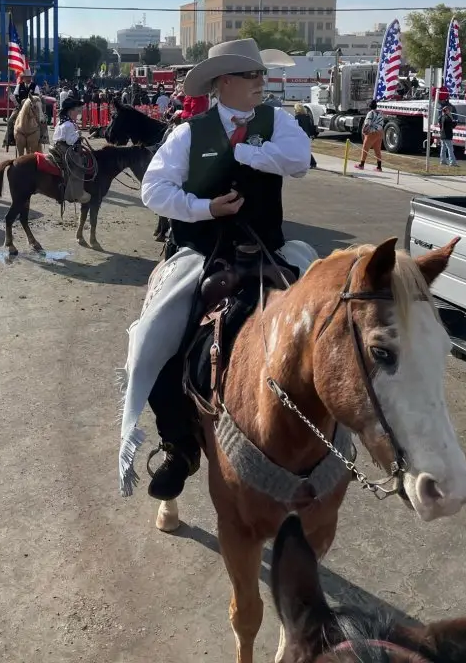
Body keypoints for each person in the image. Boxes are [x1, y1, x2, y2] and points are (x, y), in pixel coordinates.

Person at [118, 38, 312, 500]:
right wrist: (206, 208)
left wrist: (247, 153)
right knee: (151, 339)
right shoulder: (188, 132)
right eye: (252, 76)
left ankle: (324, 437)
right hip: (202, 249)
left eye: (262, 76)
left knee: (331, 317)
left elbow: (300, 161)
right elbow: (153, 191)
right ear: (224, 82)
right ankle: (179, 446)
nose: (261, 84)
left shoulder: (278, 121)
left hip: (269, 246)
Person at [51, 97, 91, 204]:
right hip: (65, 148)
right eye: (77, 111)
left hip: (58, 146)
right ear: (70, 111)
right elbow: (69, 141)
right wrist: (78, 134)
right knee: (78, 166)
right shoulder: (69, 124)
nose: (78, 113)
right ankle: (75, 194)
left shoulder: (62, 121)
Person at [355, 100, 384, 172]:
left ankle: (361, 165)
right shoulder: (380, 113)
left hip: (371, 133)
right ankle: (379, 167)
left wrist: (364, 131)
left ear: (369, 106)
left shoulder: (370, 113)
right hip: (380, 132)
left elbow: (368, 123)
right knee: (377, 150)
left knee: (365, 148)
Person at [294, 102, 318, 168]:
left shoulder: (297, 118)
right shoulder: (307, 117)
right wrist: (312, 134)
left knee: (301, 150)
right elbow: (310, 126)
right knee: (304, 150)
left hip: (300, 136)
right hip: (307, 135)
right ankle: (311, 163)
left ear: (297, 110)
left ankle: (312, 163)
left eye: (295, 109)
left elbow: (296, 128)